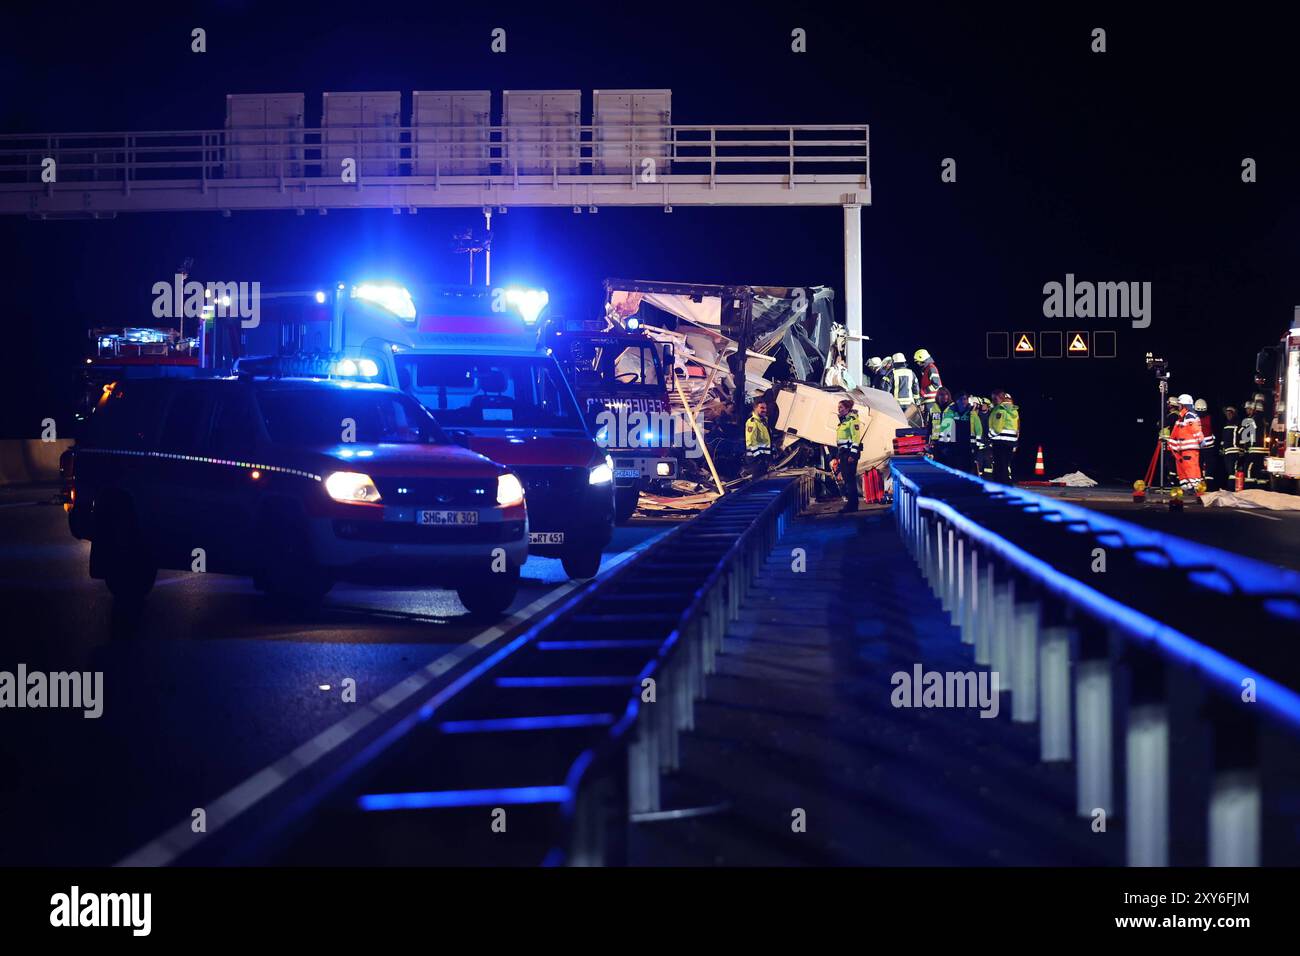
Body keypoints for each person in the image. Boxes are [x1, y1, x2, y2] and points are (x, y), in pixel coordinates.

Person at [1166, 393, 1204, 491]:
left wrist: (1201, 440)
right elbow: (1175, 432)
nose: (1177, 406)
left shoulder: (1189, 416)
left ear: (1184, 405)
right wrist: (1170, 444)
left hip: (1189, 448)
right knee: (1182, 468)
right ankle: (1186, 485)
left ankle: (1194, 486)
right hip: (1181, 449)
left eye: (1179, 404)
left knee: (1190, 467)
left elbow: (1195, 429)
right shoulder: (1181, 417)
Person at [833, 398, 864, 512]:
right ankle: (852, 505)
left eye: (841, 407)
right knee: (847, 480)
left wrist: (852, 454)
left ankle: (852, 505)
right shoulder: (844, 420)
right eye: (838, 407)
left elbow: (856, 438)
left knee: (849, 480)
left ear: (847, 409)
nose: (839, 409)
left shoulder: (852, 420)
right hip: (843, 453)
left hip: (849, 455)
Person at [988, 390, 1020, 484]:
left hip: (1000, 442)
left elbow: (997, 428)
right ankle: (1007, 484)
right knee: (1005, 465)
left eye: (994, 398)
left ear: (1001, 398)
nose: (993, 400)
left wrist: (989, 435)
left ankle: (1002, 485)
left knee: (999, 466)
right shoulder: (1013, 411)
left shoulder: (1000, 409)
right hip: (1010, 442)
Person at [914, 348, 943, 428]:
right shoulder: (926, 369)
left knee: (933, 425)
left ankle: (934, 440)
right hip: (929, 402)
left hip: (933, 402)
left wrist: (923, 392)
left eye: (918, 361)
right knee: (928, 424)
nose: (918, 364)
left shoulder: (931, 368)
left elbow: (936, 384)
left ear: (922, 359)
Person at [744, 400, 772, 477]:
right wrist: (757, 457)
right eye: (762, 408)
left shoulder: (762, 421)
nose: (765, 410)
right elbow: (750, 441)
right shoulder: (752, 422)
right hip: (756, 458)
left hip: (762, 457)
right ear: (755, 408)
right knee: (758, 480)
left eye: (765, 408)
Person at [1193, 398, 1216, 490]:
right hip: (1208, 447)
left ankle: (1201, 486)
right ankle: (1206, 486)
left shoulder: (1193, 419)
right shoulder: (1210, 418)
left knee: (1200, 466)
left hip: (1200, 447)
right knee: (1207, 467)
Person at [890, 351, 919, 423]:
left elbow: (886, 389)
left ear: (894, 362)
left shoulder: (892, 373)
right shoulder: (911, 373)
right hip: (910, 405)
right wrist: (917, 402)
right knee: (909, 425)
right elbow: (916, 389)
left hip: (897, 405)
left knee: (898, 424)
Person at [1219, 405, 1240, 487]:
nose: (1228, 415)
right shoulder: (1225, 425)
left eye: (1230, 414)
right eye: (1227, 414)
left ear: (1234, 414)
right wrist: (1221, 448)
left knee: (1232, 472)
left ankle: (1233, 489)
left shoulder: (1237, 424)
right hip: (1227, 452)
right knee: (1229, 472)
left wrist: (1241, 449)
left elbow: (1240, 437)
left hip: (1234, 451)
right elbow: (1223, 438)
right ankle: (1230, 488)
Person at [971, 396, 993, 477]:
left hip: (988, 441)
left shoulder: (991, 415)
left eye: (985, 404)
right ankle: (979, 477)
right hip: (979, 441)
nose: (983, 406)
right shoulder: (977, 414)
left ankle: (988, 478)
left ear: (988, 405)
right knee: (978, 460)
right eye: (982, 404)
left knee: (988, 461)